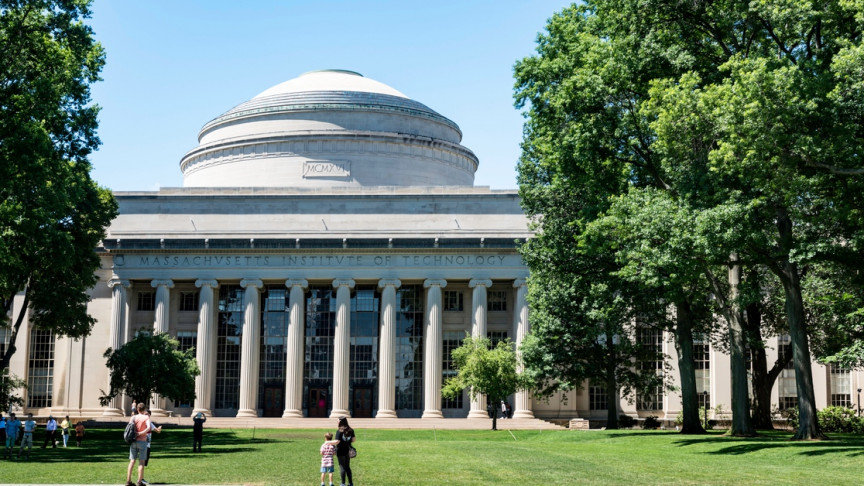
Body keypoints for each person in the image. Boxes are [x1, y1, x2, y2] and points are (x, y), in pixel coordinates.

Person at [126, 402, 155, 486]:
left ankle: (128, 481)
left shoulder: (133, 417)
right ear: (144, 409)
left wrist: (136, 433)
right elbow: (148, 427)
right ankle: (139, 482)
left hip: (133, 441)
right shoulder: (146, 417)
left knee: (132, 461)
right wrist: (141, 433)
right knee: (141, 462)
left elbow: (129, 427)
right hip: (142, 441)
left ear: (137, 409)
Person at [139, 410, 162, 486]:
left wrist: (159, 428)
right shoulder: (143, 422)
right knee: (142, 463)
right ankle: (140, 480)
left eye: (147, 414)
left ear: (149, 415)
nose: (146, 416)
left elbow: (157, 431)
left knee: (143, 463)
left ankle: (141, 479)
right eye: (145, 414)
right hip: (142, 445)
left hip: (147, 445)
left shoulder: (150, 423)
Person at [334, 416, 356, 486]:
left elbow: (337, 441)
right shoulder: (351, 430)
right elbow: (353, 440)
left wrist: (327, 442)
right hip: (348, 451)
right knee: (347, 467)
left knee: (342, 467)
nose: (337, 422)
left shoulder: (339, 431)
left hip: (340, 451)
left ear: (340, 422)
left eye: (337, 421)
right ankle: (350, 483)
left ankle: (343, 483)